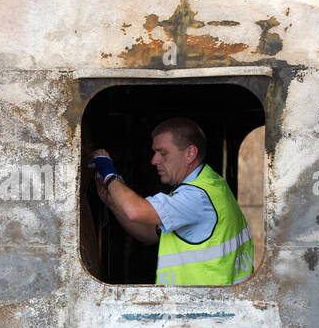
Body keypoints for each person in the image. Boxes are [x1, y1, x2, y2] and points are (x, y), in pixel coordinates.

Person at [90, 118, 254, 285]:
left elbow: (135, 211)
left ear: (190, 153)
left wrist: (109, 174)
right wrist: (111, 202)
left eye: (163, 153)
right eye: (155, 153)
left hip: (201, 306)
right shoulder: (211, 184)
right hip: (211, 303)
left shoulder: (196, 197)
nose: (154, 161)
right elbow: (149, 235)